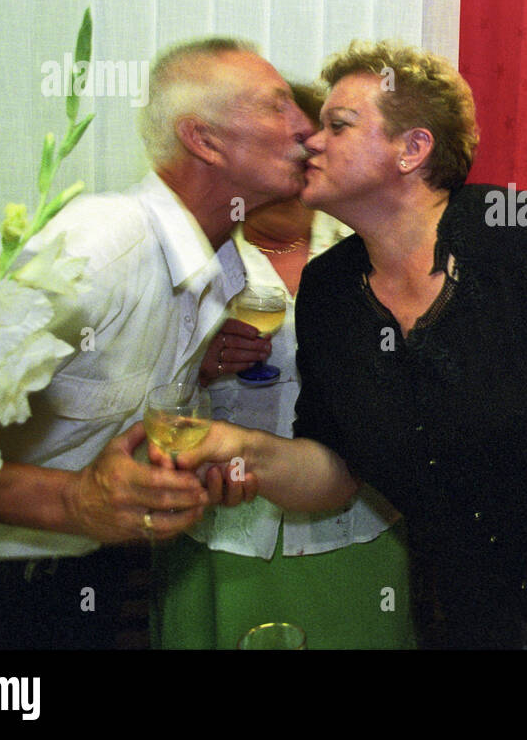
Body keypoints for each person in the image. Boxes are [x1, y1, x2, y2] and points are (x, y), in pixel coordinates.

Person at [175, 40, 527, 649]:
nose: (311, 142)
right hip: (480, 616)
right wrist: (241, 449)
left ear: (413, 149)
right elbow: (338, 469)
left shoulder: (524, 234)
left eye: (338, 126)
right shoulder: (329, 291)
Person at [0, 37, 313, 648]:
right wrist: (70, 502)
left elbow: (93, 417)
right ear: (205, 139)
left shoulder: (218, 274)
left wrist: (183, 459)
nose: (309, 129)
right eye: (279, 108)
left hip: (79, 591)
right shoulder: (97, 250)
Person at [152, 84, 416, 649]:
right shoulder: (187, 256)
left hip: (355, 526)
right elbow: (125, 395)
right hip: (219, 529)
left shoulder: (370, 249)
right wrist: (196, 363)